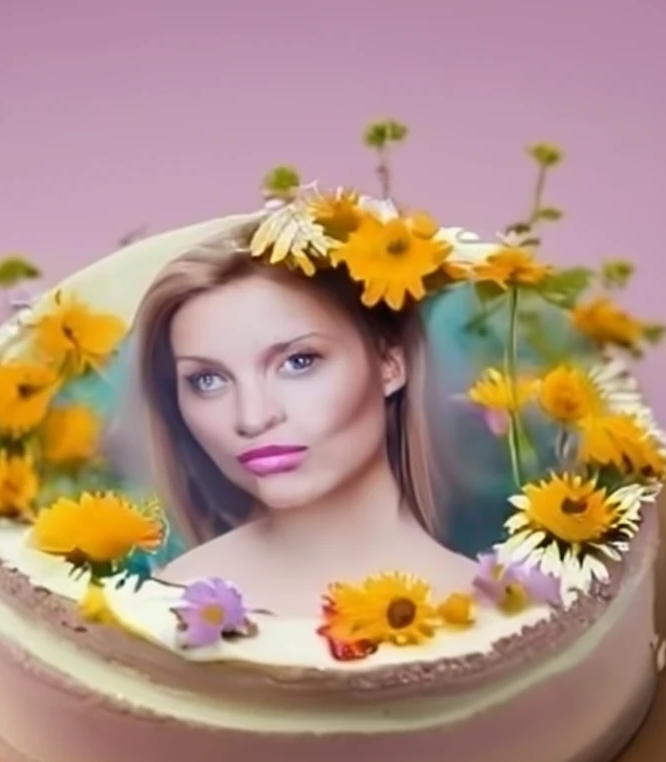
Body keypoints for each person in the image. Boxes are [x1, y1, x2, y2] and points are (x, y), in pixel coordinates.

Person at [131, 221, 477, 615]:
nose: (253, 417)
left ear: (389, 363)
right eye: (208, 380)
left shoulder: (488, 608)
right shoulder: (175, 598)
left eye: (298, 362)